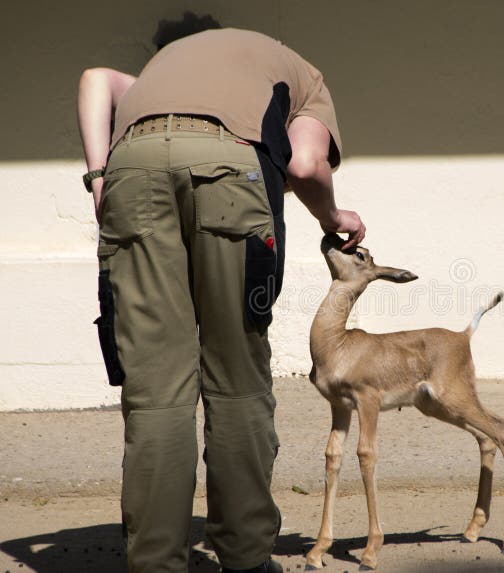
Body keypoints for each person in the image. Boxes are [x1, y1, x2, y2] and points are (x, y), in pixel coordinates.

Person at [77, 23, 365, 573]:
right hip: (229, 172)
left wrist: (98, 178)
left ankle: (156, 562)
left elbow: (94, 79)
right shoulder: (307, 81)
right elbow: (305, 165)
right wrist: (334, 214)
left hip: (130, 170)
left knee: (156, 390)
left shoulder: (162, 73)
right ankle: (245, 556)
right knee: (236, 382)